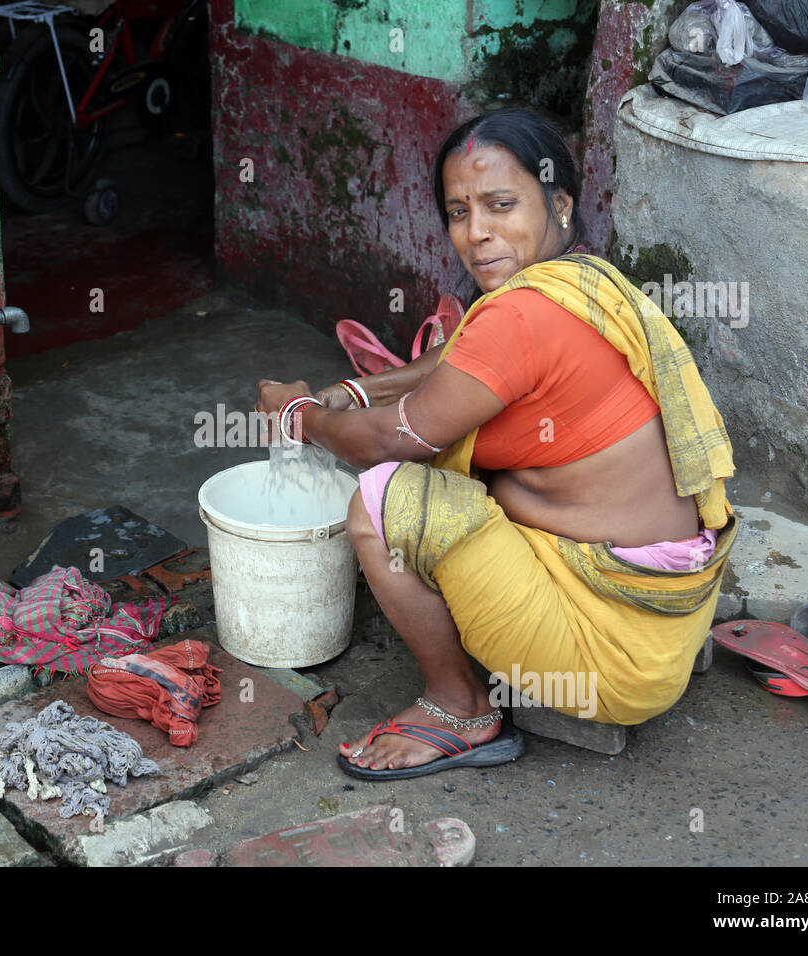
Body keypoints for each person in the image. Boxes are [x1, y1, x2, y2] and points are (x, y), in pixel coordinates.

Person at [255, 109, 738, 781]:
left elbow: (385, 441)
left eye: (500, 205)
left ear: (560, 203)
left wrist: (302, 414)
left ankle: (460, 709)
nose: (476, 233)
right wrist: (356, 392)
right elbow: (457, 362)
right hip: (661, 624)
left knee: (385, 498)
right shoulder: (581, 282)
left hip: (611, 657)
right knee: (479, 480)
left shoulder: (523, 315)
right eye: (458, 212)